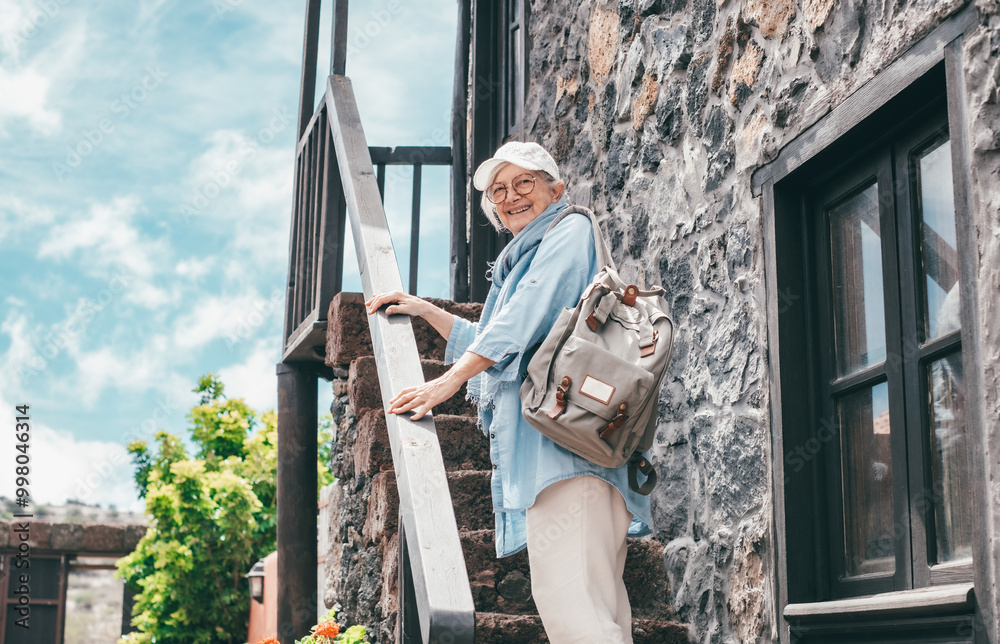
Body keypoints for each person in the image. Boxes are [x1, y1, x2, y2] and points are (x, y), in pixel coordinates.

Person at [365, 141, 652, 643]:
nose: (511, 196)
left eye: (525, 182)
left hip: (566, 451)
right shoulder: (522, 258)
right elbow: (506, 334)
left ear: (555, 188)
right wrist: (426, 310)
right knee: (595, 610)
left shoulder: (570, 230)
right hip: (569, 449)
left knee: (575, 611)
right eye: (499, 191)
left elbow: (524, 319)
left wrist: (448, 380)